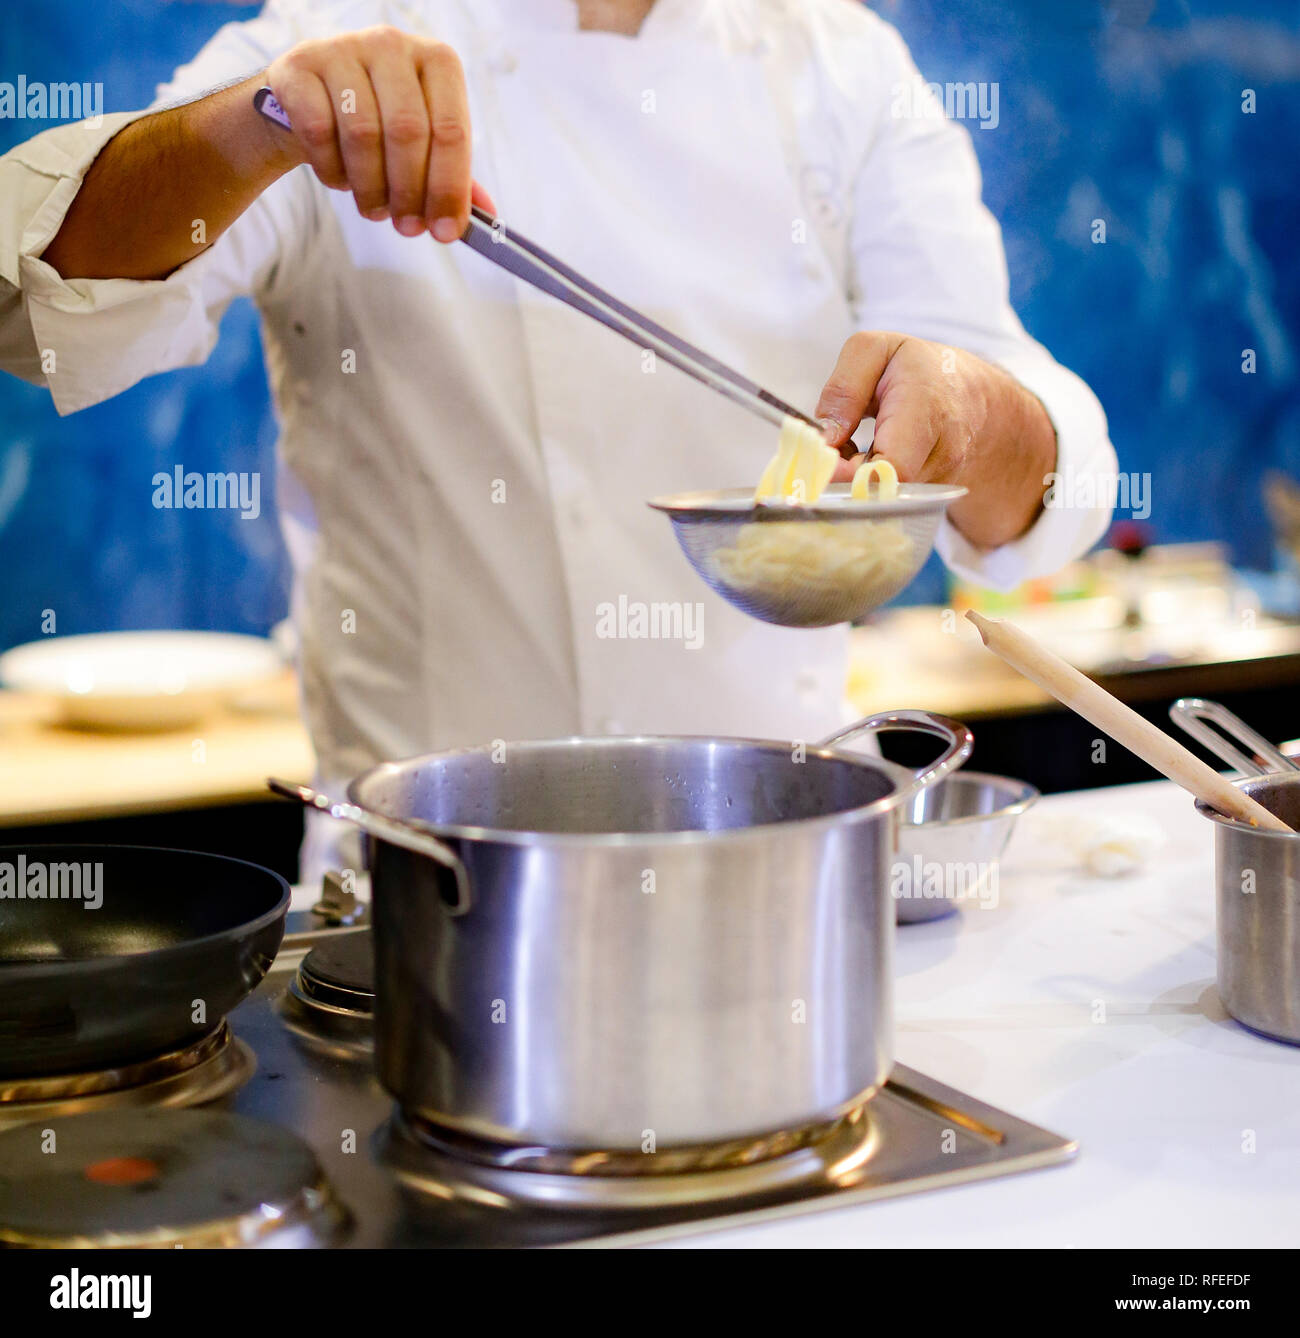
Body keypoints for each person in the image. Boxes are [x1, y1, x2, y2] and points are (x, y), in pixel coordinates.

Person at [0, 0, 1116, 881]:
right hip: (426, 916)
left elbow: (1031, 477)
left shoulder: (841, 68)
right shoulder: (321, 44)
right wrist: (259, 125)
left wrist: (970, 412)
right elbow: (32, 308)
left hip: (782, 894)